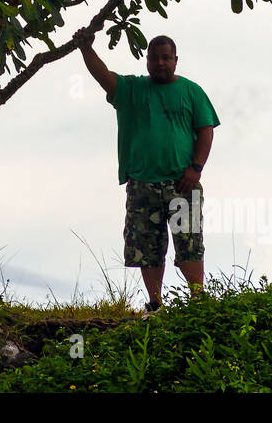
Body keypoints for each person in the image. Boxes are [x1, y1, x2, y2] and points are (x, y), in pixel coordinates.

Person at [73, 27, 219, 314]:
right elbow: (105, 77)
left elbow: (205, 130)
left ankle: (199, 302)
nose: (160, 63)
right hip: (142, 184)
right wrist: (86, 49)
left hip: (182, 183)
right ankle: (155, 306)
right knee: (147, 247)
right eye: (155, 58)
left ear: (176, 59)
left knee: (189, 242)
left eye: (166, 58)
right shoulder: (132, 89)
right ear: (147, 60)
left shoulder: (191, 91)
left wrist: (196, 169)